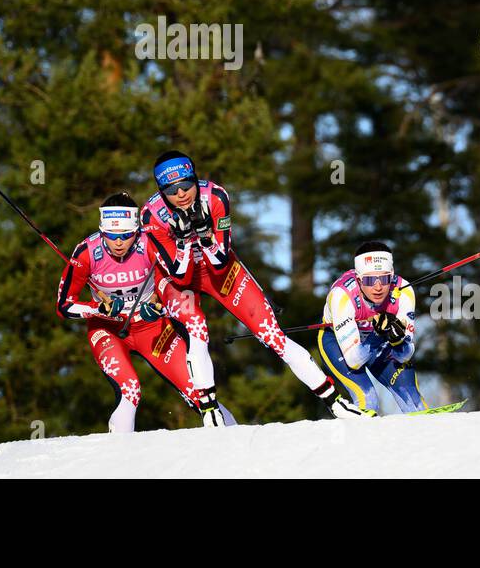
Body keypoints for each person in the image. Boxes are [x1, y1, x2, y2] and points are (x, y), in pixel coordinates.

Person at [140, 150, 365, 418]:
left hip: (218, 271)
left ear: (195, 178)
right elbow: (180, 275)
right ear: (161, 191)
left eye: (186, 184)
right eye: (171, 189)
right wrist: (182, 241)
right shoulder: (151, 215)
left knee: (272, 334)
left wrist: (207, 236)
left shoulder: (215, 197)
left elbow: (221, 261)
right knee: (196, 328)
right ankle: (211, 413)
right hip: (180, 279)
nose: (180, 194)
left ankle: (334, 401)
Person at [56, 192, 227, 431]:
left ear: (136, 231)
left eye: (126, 236)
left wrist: (159, 306)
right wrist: (99, 309)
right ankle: (121, 458)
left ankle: (235, 441)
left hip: (151, 329)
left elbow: (176, 279)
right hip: (109, 331)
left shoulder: (148, 242)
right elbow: (64, 305)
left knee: (196, 389)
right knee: (130, 390)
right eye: (111, 236)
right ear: (101, 230)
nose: (118, 243)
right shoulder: (86, 252)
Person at [318, 243, 426, 415]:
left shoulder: (404, 291)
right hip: (337, 343)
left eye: (384, 279)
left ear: (391, 276)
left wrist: (397, 340)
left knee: (413, 400)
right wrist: (377, 334)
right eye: (369, 280)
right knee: (368, 400)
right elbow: (354, 360)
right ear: (359, 279)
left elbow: (405, 354)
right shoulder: (342, 296)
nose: (377, 287)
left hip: (377, 341)